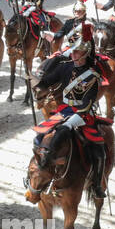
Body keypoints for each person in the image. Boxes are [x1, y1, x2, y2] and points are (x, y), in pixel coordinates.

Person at [33, 22, 107, 198]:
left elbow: (88, 102)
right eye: (72, 51)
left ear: (86, 53)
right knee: (39, 137)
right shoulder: (65, 66)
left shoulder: (93, 73)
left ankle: (97, 184)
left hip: (83, 114)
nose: (73, 54)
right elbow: (47, 81)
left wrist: (70, 122)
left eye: (77, 52)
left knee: (99, 151)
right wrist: (38, 79)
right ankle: (40, 171)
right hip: (64, 110)